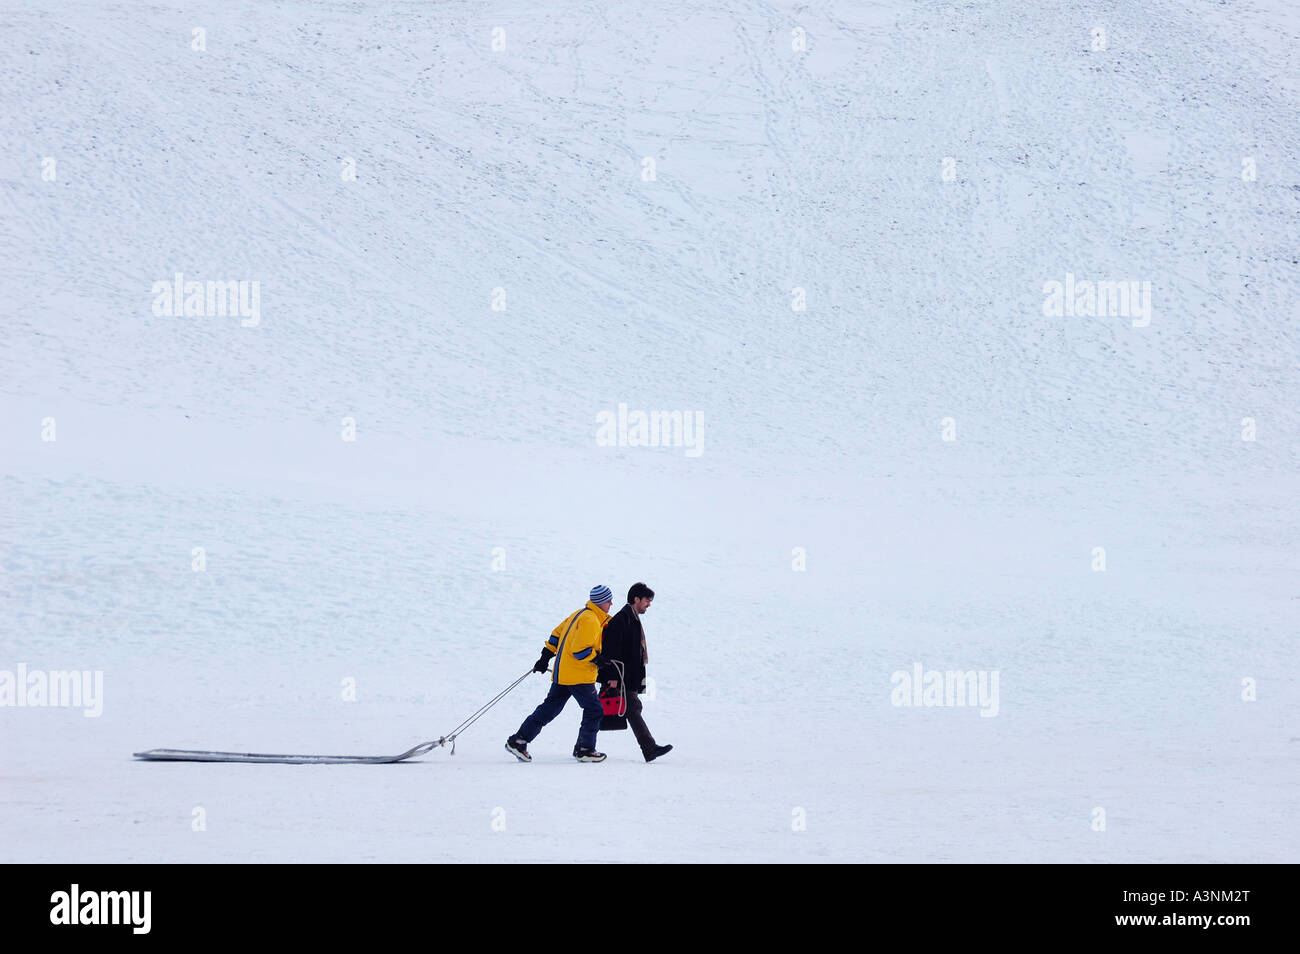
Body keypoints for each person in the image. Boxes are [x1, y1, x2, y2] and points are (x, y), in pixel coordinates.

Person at [505, 585, 613, 763]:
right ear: (601, 602)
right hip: (579, 676)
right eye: (608, 600)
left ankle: (519, 740)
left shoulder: (578, 614)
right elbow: (580, 651)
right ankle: (585, 749)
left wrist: (544, 658)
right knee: (594, 710)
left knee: (549, 708)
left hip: (563, 673)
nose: (611, 603)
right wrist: (598, 659)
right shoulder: (591, 620)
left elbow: (556, 636)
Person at [598, 582, 672, 762]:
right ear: (636, 599)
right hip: (620, 676)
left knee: (630, 708)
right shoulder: (622, 619)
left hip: (626, 676)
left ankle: (649, 748)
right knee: (618, 709)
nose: (649, 604)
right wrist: (612, 678)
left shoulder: (631, 618)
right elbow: (611, 650)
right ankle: (649, 748)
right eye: (647, 600)